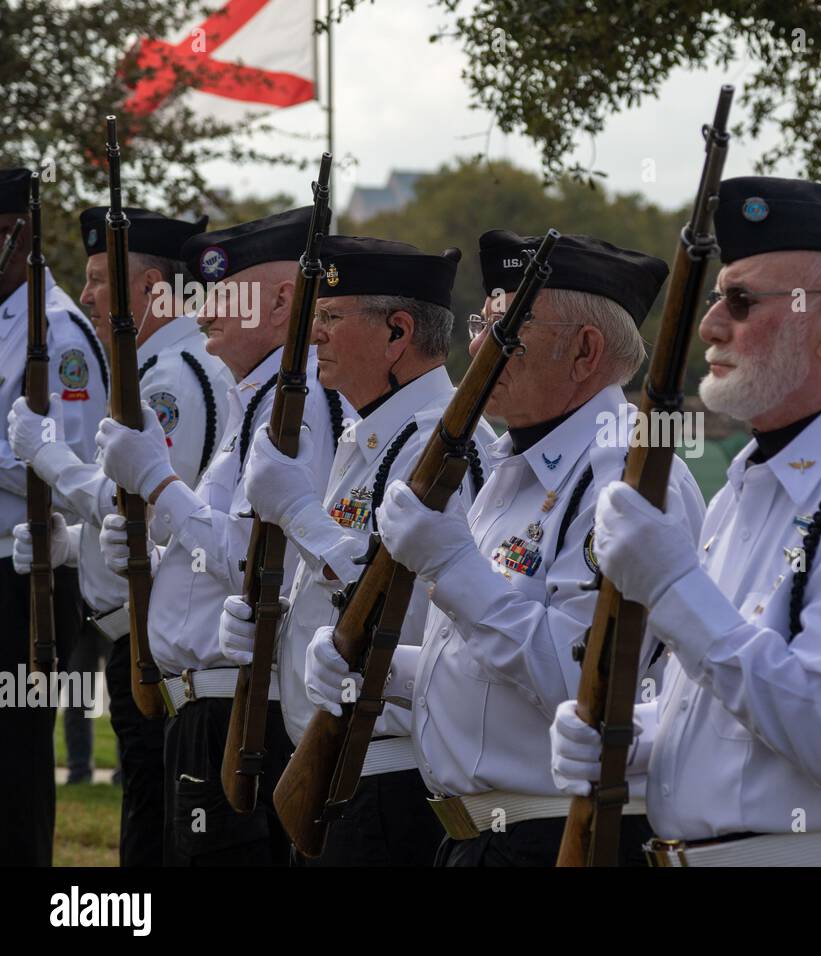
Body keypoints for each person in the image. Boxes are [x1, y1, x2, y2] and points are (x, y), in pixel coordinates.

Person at [548, 177, 821, 866]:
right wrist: (640, 737)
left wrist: (672, 588)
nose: (711, 324)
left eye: (742, 300)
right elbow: (733, 702)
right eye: (717, 297)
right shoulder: (746, 487)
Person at [307, 229, 706, 866]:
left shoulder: (621, 480)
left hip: (551, 836)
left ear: (584, 349)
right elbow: (488, 664)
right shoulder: (519, 465)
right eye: (483, 321)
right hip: (480, 836)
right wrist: (382, 670)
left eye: (509, 329)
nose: (478, 347)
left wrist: (453, 565)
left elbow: (582, 683)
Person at [218, 236, 496, 865]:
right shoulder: (376, 433)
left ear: (397, 332)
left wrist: (298, 513)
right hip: (340, 772)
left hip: (386, 777)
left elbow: (421, 608)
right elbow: (351, 587)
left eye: (332, 318)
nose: (313, 335)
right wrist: (275, 624)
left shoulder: (445, 446)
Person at [97, 207, 351, 866]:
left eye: (221, 292)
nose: (202, 309)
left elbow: (256, 566)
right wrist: (151, 550)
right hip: (209, 709)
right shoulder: (256, 403)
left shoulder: (302, 410)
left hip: (241, 712)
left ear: (282, 303)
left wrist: (158, 482)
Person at [9, 204, 226, 865]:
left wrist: (48, 457)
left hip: (153, 645)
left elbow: (143, 512)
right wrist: (69, 546)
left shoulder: (170, 383)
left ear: (155, 289)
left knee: (154, 835)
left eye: (103, 278)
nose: (87, 296)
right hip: (145, 635)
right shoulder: (176, 369)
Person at [0, 167, 109, 866]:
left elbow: (72, 467)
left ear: (16, 234)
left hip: (25, 585)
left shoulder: (58, 332)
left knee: (11, 773)